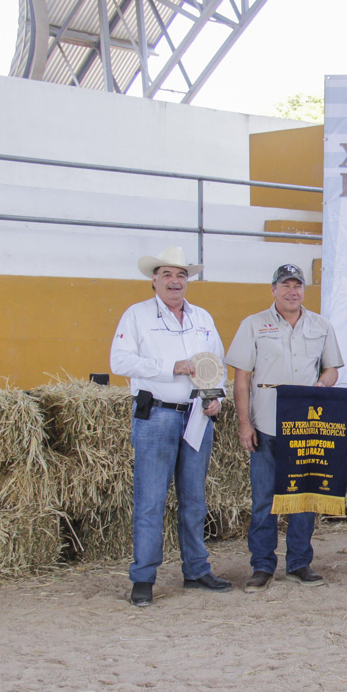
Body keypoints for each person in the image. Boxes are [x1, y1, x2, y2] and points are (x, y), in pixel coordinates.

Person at [110, 246, 231, 607]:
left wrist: (216, 399)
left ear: (187, 281)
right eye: (167, 275)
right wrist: (171, 367)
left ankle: (196, 570)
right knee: (151, 499)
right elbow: (119, 361)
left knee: (194, 498)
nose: (175, 281)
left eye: (181, 275)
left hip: (196, 414)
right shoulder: (137, 315)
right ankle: (143, 577)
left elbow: (217, 364)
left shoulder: (203, 318)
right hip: (157, 412)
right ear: (154, 280)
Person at [225, 264, 345, 593]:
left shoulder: (321, 325)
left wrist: (323, 383)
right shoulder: (253, 325)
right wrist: (244, 424)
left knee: (304, 498)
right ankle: (262, 565)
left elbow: (332, 368)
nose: (292, 291)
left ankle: (299, 563)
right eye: (285, 285)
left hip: (307, 427)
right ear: (273, 290)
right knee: (264, 500)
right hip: (265, 426)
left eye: (298, 285)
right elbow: (241, 379)